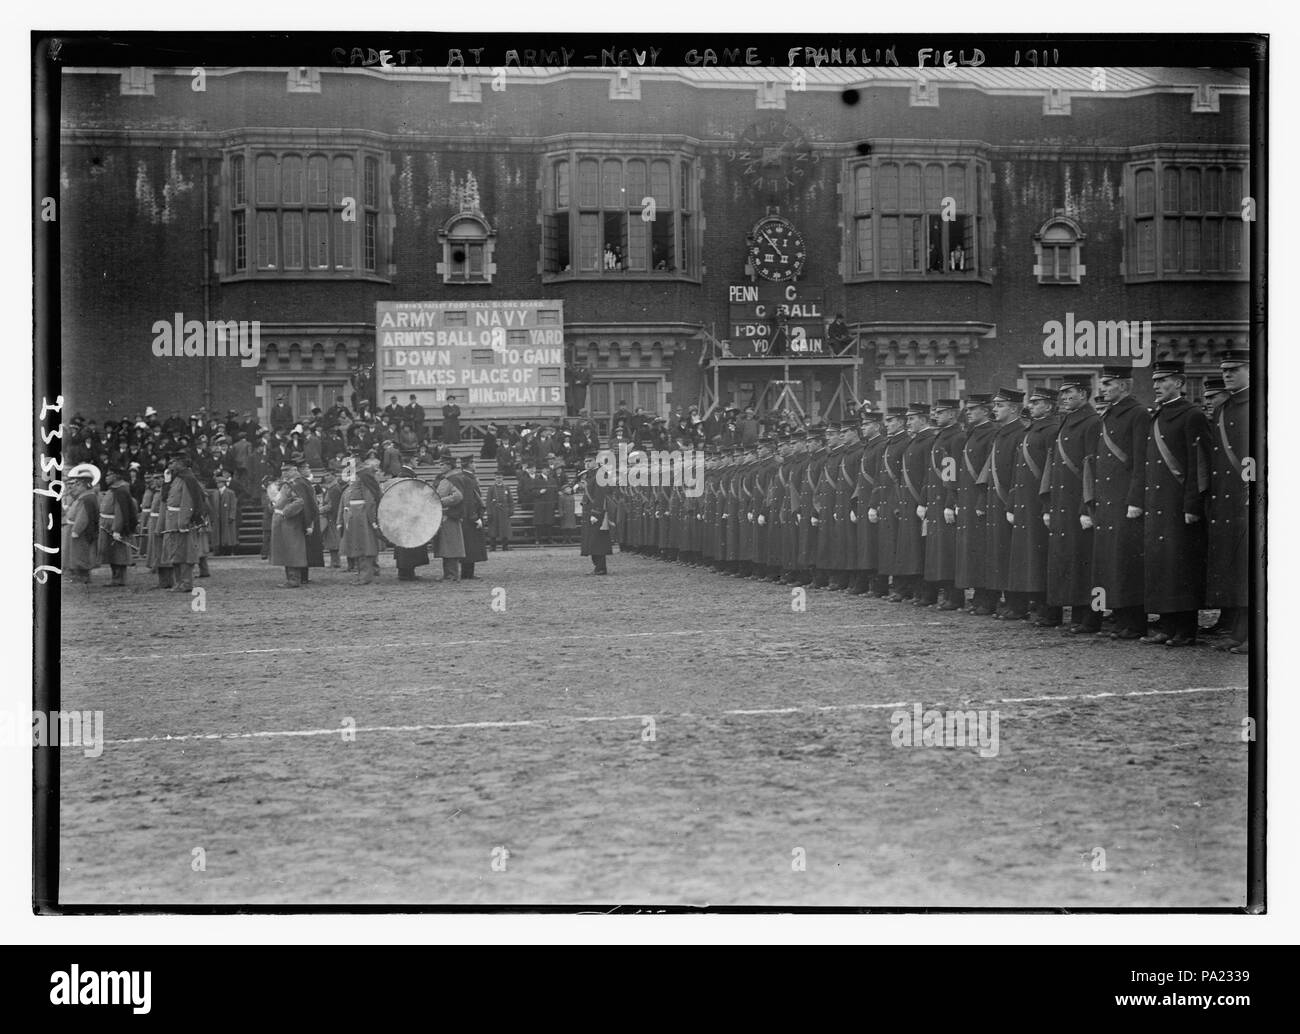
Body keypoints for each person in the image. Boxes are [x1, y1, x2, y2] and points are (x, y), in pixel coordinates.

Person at [1140, 360, 1213, 647]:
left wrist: (1192, 505)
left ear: (1180, 383)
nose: (1157, 385)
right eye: (1156, 381)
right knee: (1161, 564)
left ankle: (1185, 629)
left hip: (1179, 503)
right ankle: (1167, 626)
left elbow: (1200, 464)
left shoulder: (1192, 415)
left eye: (1164, 380)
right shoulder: (1157, 416)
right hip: (1158, 502)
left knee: (1181, 566)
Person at [1089, 365, 1151, 640]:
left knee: (1127, 562)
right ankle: (1120, 618)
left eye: (1108, 384)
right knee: (1111, 561)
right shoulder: (1110, 414)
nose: (1102, 389)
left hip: (1126, 500)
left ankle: (1134, 621)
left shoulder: (1137, 414)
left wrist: (1135, 499)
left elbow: (1140, 460)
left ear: (1123, 386)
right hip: (1107, 500)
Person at [1042, 375, 1102, 634]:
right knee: (1067, 560)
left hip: (1079, 504)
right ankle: (1072, 614)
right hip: (1061, 503)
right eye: (1062, 393)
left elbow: (1091, 467)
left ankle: (1088, 617)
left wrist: (1085, 508)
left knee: (1084, 562)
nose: (1064, 398)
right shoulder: (1066, 421)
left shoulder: (1091, 422)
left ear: (1084, 394)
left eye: (1069, 393)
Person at [1205, 349, 1251, 653]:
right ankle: (1238, 632)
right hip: (1226, 499)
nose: (1227, 374)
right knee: (1235, 568)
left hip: (1250, 498)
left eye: (1234, 369)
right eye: (1224, 370)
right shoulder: (1223, 410)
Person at [1007, 388, 1059, 626]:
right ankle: (1037, 606)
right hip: (1025, 503)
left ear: (1049, 406)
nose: (1031, 405)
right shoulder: (1031, 431)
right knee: (1030, 557)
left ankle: (1049, 610)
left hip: (1039, 503)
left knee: (1042, 557)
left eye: (1037, 402)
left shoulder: (1050, 430)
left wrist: (1047, 505)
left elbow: (1052, 470)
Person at [953, 394, 996, 614]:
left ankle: (987, 599)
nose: (967, 412)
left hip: (980, 501)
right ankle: (979, 597)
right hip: (967, 500)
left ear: (985, 411)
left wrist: (981, 501)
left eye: (972, 409)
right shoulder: (972, 434)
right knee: (972, 551)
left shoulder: (991, 434)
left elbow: (990, 472)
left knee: (982, 551)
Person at [162, 451, 208, 592]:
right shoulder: (176, 478)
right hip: (172, 519)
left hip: (182, 521)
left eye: (173, 462)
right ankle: (179, 582)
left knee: (185, 552)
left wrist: (183, 523)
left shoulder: (188, 478)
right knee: (175, 552)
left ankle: (186, 582)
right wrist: (166, 482)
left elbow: (187, 502)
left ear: (181, 463)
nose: (170, 465)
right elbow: (165, 498)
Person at [339, 460, 382, 585]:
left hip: (362, 516)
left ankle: (365, 576)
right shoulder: (360, 477)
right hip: (356, 516)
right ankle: (362, 574)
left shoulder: (363, 477)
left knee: (364, 547)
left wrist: (372, 519)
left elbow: (370, 501)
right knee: (358, 546)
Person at [268, 461, 309, 588]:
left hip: (290, 522)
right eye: (282, 471)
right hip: (282, 521)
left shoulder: (294, 484)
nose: (283, 473)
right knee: (285, 550)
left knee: (292, 550)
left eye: (286, 470)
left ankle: (294, 579)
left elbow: (299, 501)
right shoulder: (286, 485)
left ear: (294, 470)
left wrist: (285, 512)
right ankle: (290, 578)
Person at [97, 468, 139, 587]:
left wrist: (117, 529)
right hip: (107, 524)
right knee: (112, 554)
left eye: (109, 475)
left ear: (116, 476)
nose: (106, 477)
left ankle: (119, 579)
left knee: (118, 554)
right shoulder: (115, 490)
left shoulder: (120, 490)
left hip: (114, 525)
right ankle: (116, 577)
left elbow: (120, 512)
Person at [62, 464, 101, 585]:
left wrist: (76, 530)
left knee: (80, 554)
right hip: (75, 528)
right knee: (76, 553)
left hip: (80, 531)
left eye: (78, 484)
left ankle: (83, 576)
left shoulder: (86, 498)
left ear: (85, 485)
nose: (76, 487)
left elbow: (83, 516)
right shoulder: (84, 496)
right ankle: (79, 575)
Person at [451, 456, 487, 579]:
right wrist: (475, 517)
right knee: (471, 546)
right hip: (469, 518)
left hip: (466, 517)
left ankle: (468, 572)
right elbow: (469, 501)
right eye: (473, 463)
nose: (475, 465)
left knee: (470, 546)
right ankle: (467, 573)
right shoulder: (468, 479)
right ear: (469, 464)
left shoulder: (464, 478)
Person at [431, 454, 466, 581]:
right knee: (446, 547)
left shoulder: (453, 479)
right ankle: (448, 574)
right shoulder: (444, 479)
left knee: (451, 547)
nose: (440, 467)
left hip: (450, 516)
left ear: (449, 466)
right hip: (444, 516)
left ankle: (452, 574)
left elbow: (458, 496)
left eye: (443, 464)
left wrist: (440, 501)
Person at [578, 448, 613, 574]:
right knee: (592, 541)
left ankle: (601, 567)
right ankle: (597, 566)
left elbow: (600, 495)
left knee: (597, 541)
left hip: (596, 513)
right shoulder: (591, 474)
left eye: (590, 461)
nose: (587, 463)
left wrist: (595, 513)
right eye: (585, 461)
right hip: (589, 511)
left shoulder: (600, 474)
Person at [318, 465, 344, 568]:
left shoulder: (334, 488)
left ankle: (336, 561)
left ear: (334, 475)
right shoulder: (331, 488)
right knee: (331, 540)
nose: (326, 477)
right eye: (325, 475)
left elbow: (333, 505)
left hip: (333, 517)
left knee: (334, 540)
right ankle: (334, 561)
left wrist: (320, 510)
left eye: (328, 475)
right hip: (329, 516)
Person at [485, 472, 514, 551]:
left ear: (503, 478)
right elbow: (488, 502)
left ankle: (505, 546)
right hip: (494, 511)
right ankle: (492, 546)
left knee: (504, 529)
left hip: (504, 511)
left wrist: (511, 510)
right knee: (493, 529)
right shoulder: (491, 488)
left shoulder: (506, 488)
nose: (499, 479)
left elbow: (511, 501)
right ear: (495, 478)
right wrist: (489, 513)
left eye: (500, 478)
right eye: (497, 478)